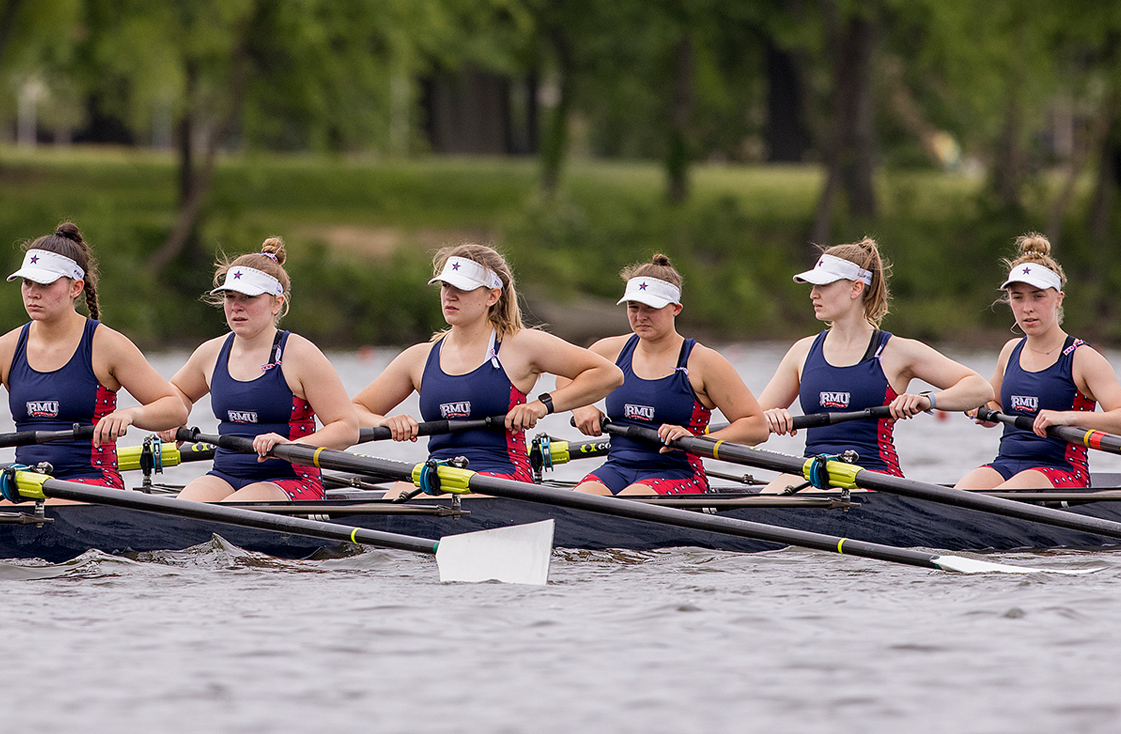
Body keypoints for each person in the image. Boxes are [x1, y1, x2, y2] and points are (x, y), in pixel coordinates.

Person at [352, 244, 623, 496]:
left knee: (451, 501)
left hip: (502, 476)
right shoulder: (419, 357)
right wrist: (383, 422)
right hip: (437, 476)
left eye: (463, 287)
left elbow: (608, 374)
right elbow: (353, 409)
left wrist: (542, 406)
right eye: (445, 285)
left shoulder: (522, 345)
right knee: (393, 499)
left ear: (493, 296)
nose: (450, 295)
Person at [0, 222, 187, 499]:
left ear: (75, 287)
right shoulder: (2, 350)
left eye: (44, 283)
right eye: (27, 282)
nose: (32, 292)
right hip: (25, 480)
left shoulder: (107, 346)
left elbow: (175, 409)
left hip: (92, 481)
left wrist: (131, 414)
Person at [757, 239, 991, 490]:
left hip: (874, 476)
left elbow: (980, 389)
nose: (814, 293)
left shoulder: (897, 352)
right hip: (813, 475)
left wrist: (928, 400)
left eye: (824, 284)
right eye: (814, 285)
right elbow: (750, 423)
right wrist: (769, 417)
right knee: (764, 500)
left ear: (856, 288)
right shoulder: (802, 351)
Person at [166, 237, 360, 502]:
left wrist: (292, 446)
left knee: (231, 515)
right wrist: (173, 416)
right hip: (224, 475)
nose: (236, 306)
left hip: (290, 478)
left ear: (276, 303)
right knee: (181, 512)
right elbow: (176, 392)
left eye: (248, 297)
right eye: (230, 296)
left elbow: (347, 428)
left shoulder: (301, 355)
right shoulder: (211, 353)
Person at [564, 253, 767, 495]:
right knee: (577, 503)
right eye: (633, 307)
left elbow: (756, 427)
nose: (640, 317)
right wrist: (581, 408)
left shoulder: (703, 362)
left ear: (676, 309)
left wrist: (697, 440)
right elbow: (564, 375)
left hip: (678, 473)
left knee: (627, 504)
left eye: (651, 308)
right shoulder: (610, 350)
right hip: (617, 467)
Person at [957, 234, 1121, 490]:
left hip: (1062, 470)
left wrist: (1066, 418)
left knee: (1001, 500)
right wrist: (982, 411)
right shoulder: (1010, 350)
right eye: (1017, 297)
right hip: (1007, 463)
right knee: (959, 497)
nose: (1026, 308)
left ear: (1058, 298)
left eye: (1037, 296)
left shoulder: (1082, 358)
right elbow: (994, 404)